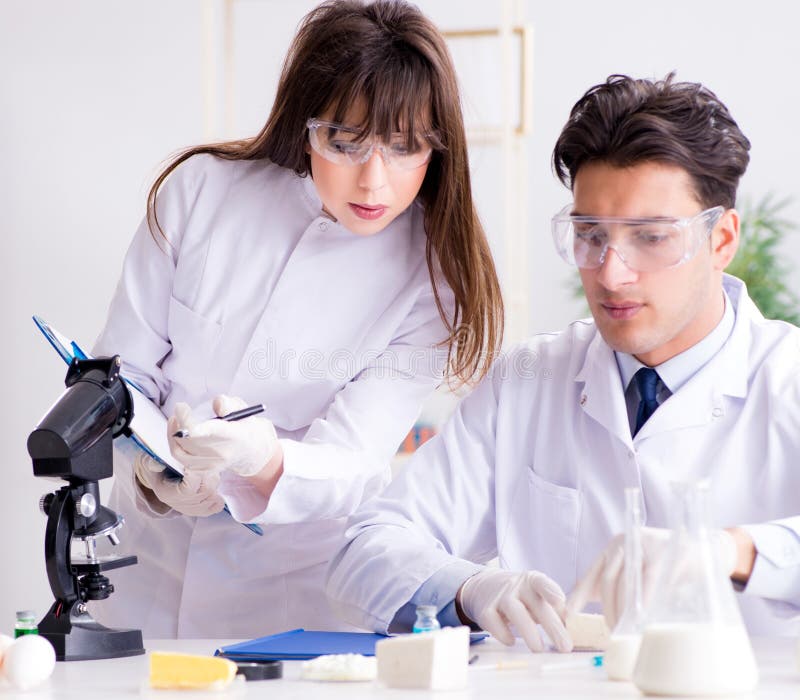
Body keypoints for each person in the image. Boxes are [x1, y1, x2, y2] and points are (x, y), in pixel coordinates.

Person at [327, 73, 800, 653]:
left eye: (651, 237)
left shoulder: (789, 378)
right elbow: (366, 547)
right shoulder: (527, 380)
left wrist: (730, 552)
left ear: (722, 239)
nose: (610, 272)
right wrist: (468, 588)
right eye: (589, 233)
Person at [90, 0, 504, 638]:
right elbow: (119, 376)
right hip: (144, 570)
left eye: (404, 148)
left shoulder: (431, 278)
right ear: (304, 125)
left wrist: (261, 460)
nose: (374, 181)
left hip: (288, 590)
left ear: (436, 147)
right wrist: (148, 471)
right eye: (344, 142)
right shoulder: (201, 192)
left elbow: (355, 457)